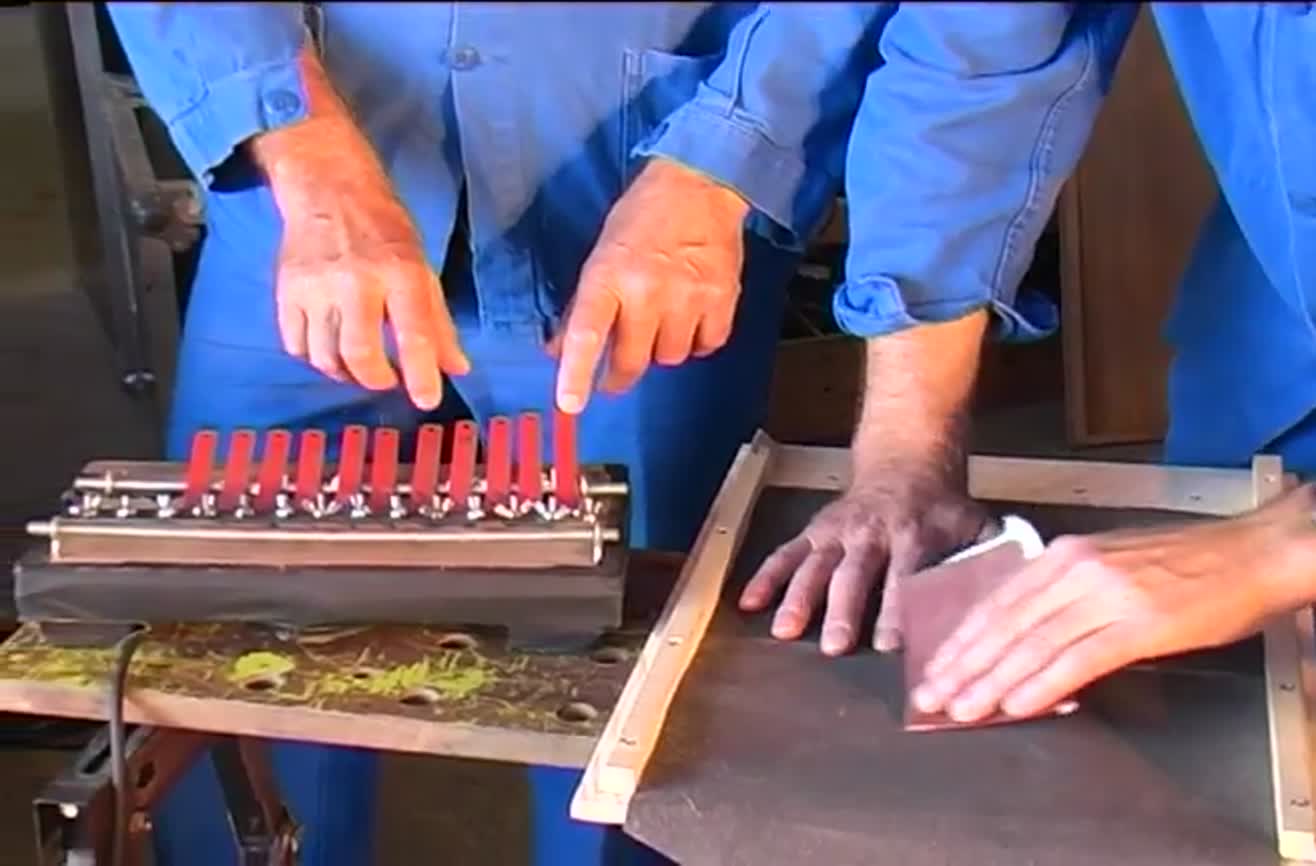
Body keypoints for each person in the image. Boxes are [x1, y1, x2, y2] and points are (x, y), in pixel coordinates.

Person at [104, 3, 883, 865]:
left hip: (647, 212)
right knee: (225, 677)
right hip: (297, 207)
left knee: (630, 717)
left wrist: (720, 162)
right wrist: (303, 151)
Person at [743, 1, 1316, 726]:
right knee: (1218, 714)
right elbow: (971, 70)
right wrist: (905, 453)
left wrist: (1285, 553)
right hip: (1277, 337)